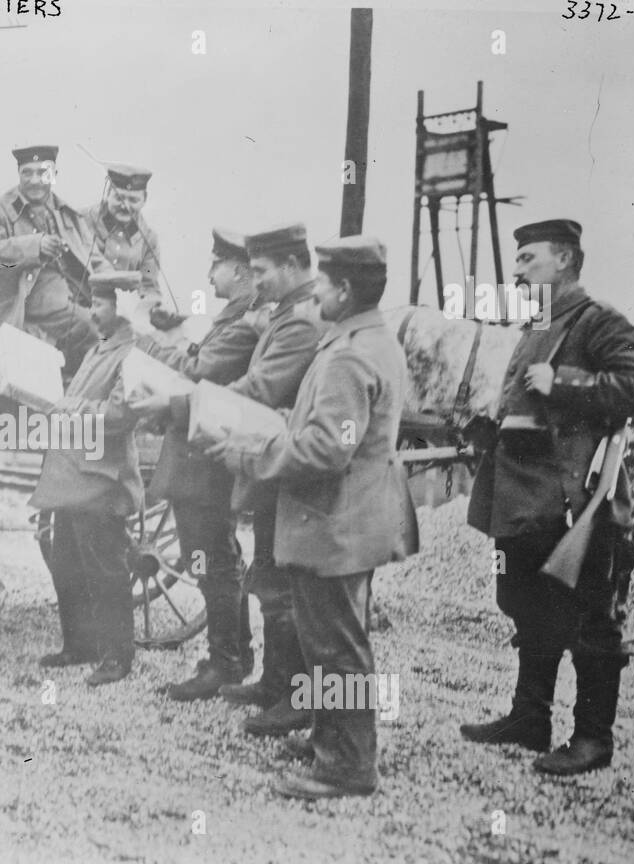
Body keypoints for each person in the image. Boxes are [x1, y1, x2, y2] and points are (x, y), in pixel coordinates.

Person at [210, 235, 418, 799]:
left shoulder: (349, 354)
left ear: (345, 290)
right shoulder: (370, 339)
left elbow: (329, 450)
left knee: (336, 646)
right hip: (349, 518)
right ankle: (331, 735)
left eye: (324, 283)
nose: (316, 292)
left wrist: (250, 453)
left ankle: (348, 765)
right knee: (331, 638)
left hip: (335, 522)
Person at [461, 219, 634, 776]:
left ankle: (594, 739)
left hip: (575, 499)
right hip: (524, 497)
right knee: (528, 605)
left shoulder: (597, 321)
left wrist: (567, 382)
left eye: (529, 259)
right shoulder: (537, 323)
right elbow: (524, 407)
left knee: (590, 617)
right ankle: (530, 718)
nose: (519, 270)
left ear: (566, 262)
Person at [127, 229, 263, 700]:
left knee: (213, 560)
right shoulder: (236, 317)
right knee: (219, 557)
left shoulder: (243, 322)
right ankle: (235, 655)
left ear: (240, 270)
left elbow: (197, 370)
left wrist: (146, 338)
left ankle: (224, 663)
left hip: (206, 459)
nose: (209, 274)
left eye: (216, 266)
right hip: (202, 455)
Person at [215, 224, 324, 736]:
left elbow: (263, 386)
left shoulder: (301, 320)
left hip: (285, 466)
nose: (255, 282)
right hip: (271, 461)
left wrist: (199, 404)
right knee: (267, 574)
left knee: (282, 585)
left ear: (291, 265)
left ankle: (295, 695)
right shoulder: (286, 314)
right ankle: (276, 682)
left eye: (261, 271)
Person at [32, 271, 142, 686]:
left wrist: (70, 407)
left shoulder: (131, 353)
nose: (93, 312)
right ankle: (79, 645)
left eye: (101, 304)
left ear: (123, 306)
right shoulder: (102, 349)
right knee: (68, 563)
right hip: (75, 476)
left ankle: (117, 656)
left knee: (105, 569)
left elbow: (118, 417)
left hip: (101, 477)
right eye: (94, 303)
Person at [0, 145, 101, 437]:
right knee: (93, 329)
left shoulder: (69, 215)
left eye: (42, 172)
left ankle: (83, 414)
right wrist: (32, 247)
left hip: (70, 299)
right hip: (19, 302)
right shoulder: (1, 211)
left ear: (55, 174)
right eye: (26, 173)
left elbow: (95, 260)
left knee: (108, 333)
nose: (34, 180)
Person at [81, 164, 179, 331]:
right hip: (80, 308)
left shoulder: (148, 239)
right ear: (107, 194)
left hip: (118, 318)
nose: (125, 205)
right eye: (119, 197)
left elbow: (148, 283)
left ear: (144, 199)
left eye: (133, 200)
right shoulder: (82, 220)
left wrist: (154, 306)